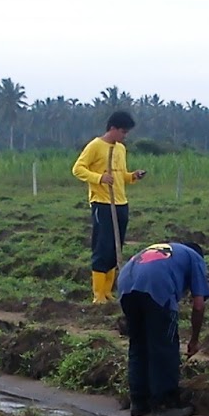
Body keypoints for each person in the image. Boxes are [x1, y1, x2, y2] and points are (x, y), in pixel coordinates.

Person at [116, 241, 209, 416]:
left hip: (126, 283)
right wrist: (194, 340)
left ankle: (139, 402)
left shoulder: (168, 249)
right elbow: (198, 305)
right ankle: (164, 405)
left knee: (138, 344)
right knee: (164, 347)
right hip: (156, 284)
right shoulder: (195, 257)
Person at [71, 111, 144, 304]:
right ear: (112, 128)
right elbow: (78, 168)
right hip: (102, 204)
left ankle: (108, 291)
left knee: (116, 247)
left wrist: (133, 176)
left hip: (121, 203)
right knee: (102, 247)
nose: (124, 135)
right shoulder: (95, 146)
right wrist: (99, 178)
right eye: (122, 131)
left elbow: (121, 176)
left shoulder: (120, 149)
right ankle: (98, 294)